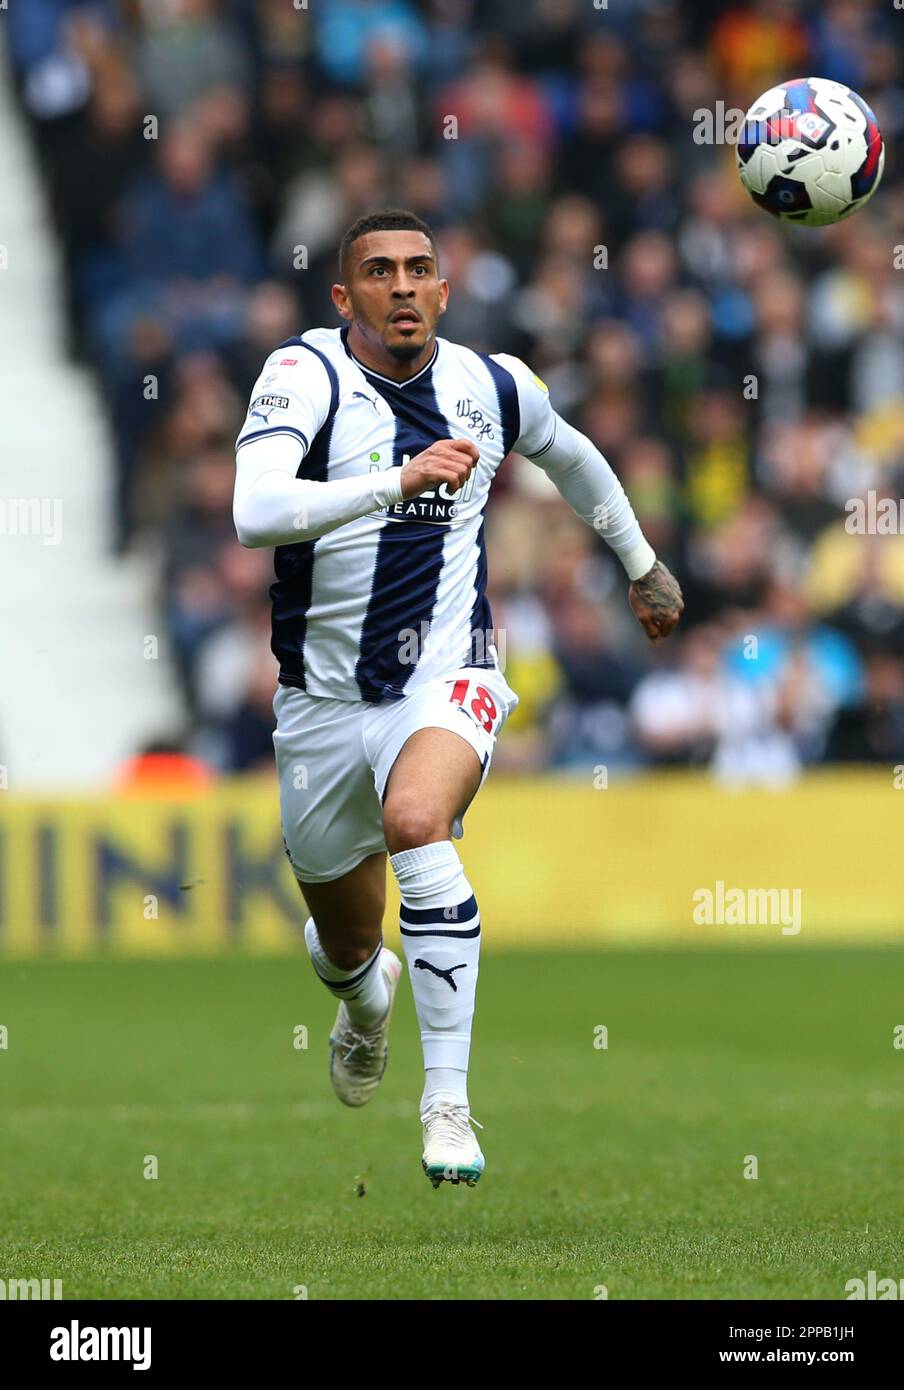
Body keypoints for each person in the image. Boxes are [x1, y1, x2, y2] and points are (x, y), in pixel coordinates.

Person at [232, 208, 683, 1187]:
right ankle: (365, 1001)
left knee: (417, 819)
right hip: (319, 701)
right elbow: (253, 510)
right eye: (380, 272)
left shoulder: (492, 384)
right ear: (344, 297)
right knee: (344, 943)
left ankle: (447, 1103)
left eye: (421, 269)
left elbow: (568, 452)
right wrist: (394, 481)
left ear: (445, 288)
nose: (403, 286)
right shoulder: (304, 376)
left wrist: (641, 563)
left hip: (448, 666)